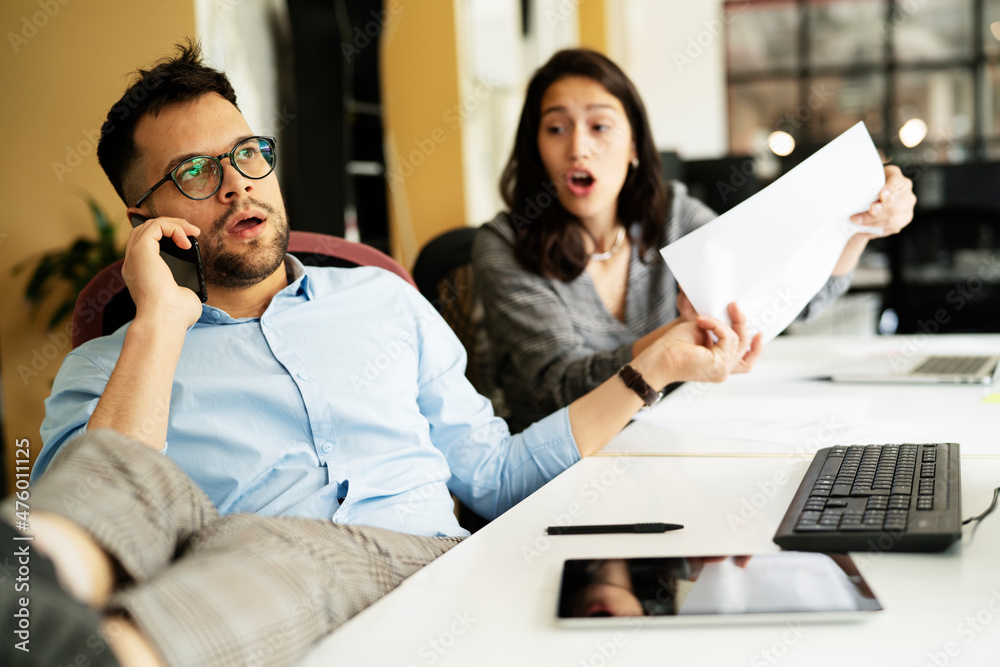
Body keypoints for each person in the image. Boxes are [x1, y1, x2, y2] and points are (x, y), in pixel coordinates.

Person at [17, 42, 759, 666]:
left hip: (414, 566)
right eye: (194, 173)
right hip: (224, 591)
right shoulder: (115, 359)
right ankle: (18, 608)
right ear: (143, 217)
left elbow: (496, 477)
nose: (238, 183)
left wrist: (653, 366)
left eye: (247, 153)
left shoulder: (382, 300)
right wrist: (160, 323)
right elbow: (98, 504)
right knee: (130, 482)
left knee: (271, 542)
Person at [472, 48, 917, 433]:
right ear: (535, 149)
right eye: (556, 129)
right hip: (550, 479)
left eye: (600, 127)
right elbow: (557, 390)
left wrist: (860, 225)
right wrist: (673, 348)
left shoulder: (671, 215)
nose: (577, 149)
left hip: (663, 446)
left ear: (634, 147)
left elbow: (780, 300)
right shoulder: (503, 244)